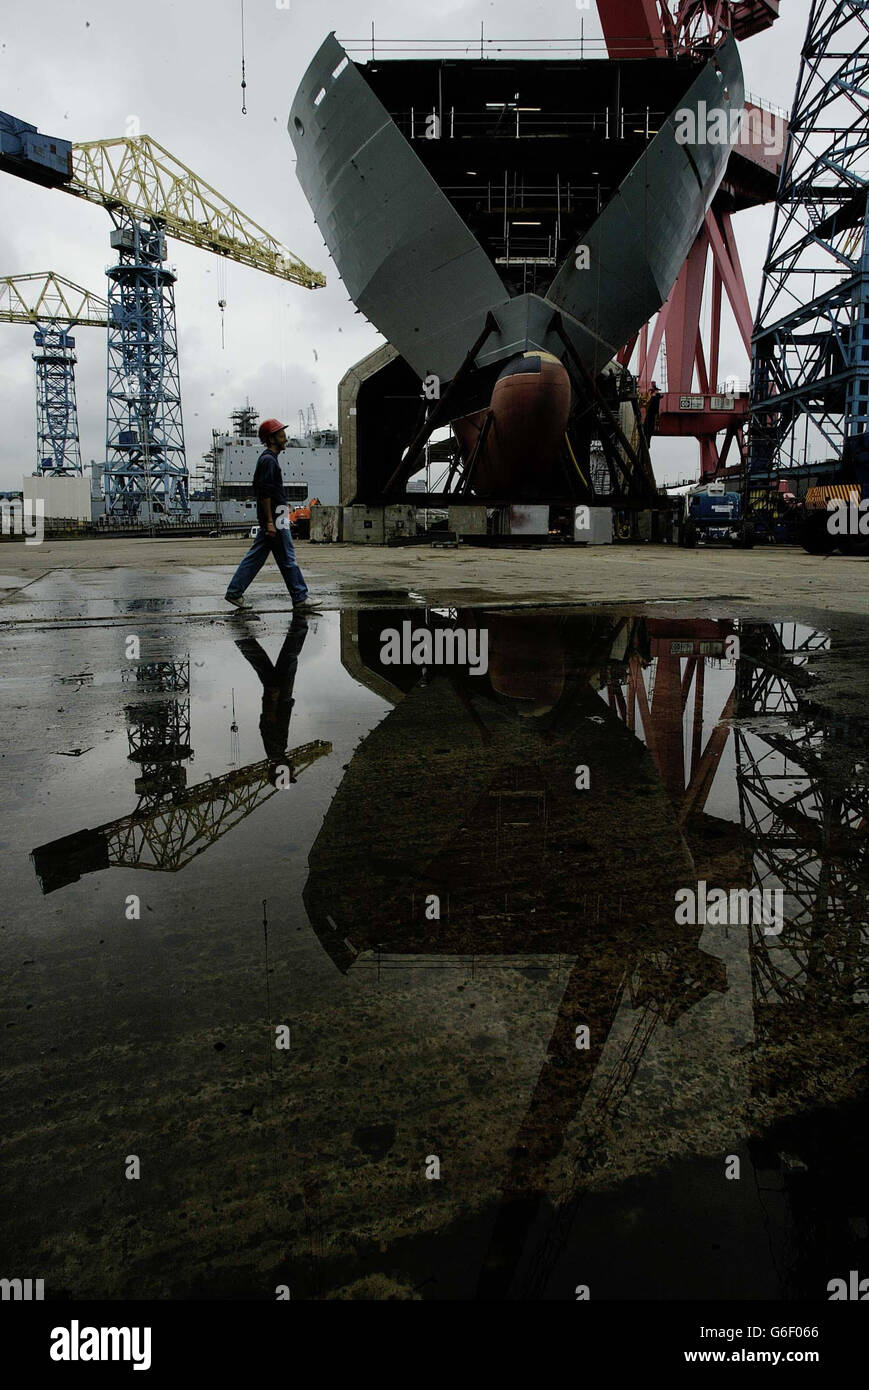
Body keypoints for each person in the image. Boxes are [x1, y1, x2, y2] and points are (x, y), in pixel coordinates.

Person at [224, 417, 320, 612]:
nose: (285, 437)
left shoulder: (269, 459)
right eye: (281, 434)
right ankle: (300, 597)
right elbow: (265, 494)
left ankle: (235, 592)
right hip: (276, 516)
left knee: (258, 556)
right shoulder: (268, 460)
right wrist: (269, 521)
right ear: (272, 438)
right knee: (288, 557)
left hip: (278, 513)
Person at [235, 614, 309, 784]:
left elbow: (268, 723)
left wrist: (273, 698)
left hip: (279, 698)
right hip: (279, 699)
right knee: (265, 662)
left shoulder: (276, 751)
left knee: (288, 658)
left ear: (280, 771)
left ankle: (301, 623)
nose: (293, 769)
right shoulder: (276, 752)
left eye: (290, 773)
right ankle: (240, 636)